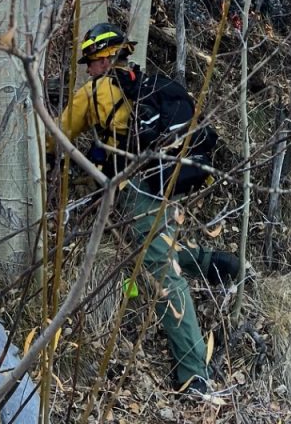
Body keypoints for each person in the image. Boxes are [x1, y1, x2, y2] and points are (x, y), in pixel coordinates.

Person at [58, 22, 240, 397]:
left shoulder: (93, 93)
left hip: (139, 187)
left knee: (159, 271)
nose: (87, 68)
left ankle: (194, 375)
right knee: (157, 247)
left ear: (104, 58)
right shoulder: (147, 82)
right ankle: (220, 265)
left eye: (90, 62)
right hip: (167, 180)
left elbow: (57, 136)